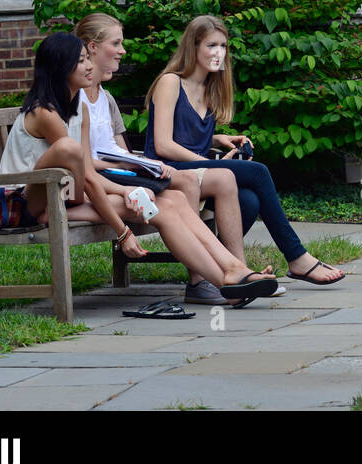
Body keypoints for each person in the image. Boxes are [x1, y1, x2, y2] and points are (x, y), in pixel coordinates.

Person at [0, 32, 278, 303]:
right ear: (61, 66)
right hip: (24, 203)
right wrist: (123, 229)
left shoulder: (78, 109)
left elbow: (88, 177)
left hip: (67, 197)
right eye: (82, 60)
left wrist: (127, 191)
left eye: (87, 59)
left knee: (173, 201)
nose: (89, 66)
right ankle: (229, 276)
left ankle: (231, 274)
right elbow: (88, 178)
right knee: (71, 151)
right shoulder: (44, 112)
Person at [143, 15, 345, 285]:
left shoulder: (210, 87)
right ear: (193, 47)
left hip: (196, 168)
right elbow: (163, 144)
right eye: (211, 46)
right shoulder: (171, 82)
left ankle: (232, 271)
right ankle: (297, 258)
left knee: (249, 200)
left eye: (224, 46)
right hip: (168, 171)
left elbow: (184, 130)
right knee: (258, 172)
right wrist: (206, 161)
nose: (219, 53)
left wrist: (217, 138)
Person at [74, 13, 254, 306]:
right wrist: (129, 178)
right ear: (92, 48)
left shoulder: (105, 97)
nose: (123, 50)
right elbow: (81, 164)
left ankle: (228, 274)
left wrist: (141, 164)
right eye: (116, 43)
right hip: (93, 187)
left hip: (118, 179)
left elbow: (120, 151)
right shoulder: (72, 100)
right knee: (185, 188)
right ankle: (212, 279)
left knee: (186, 192)